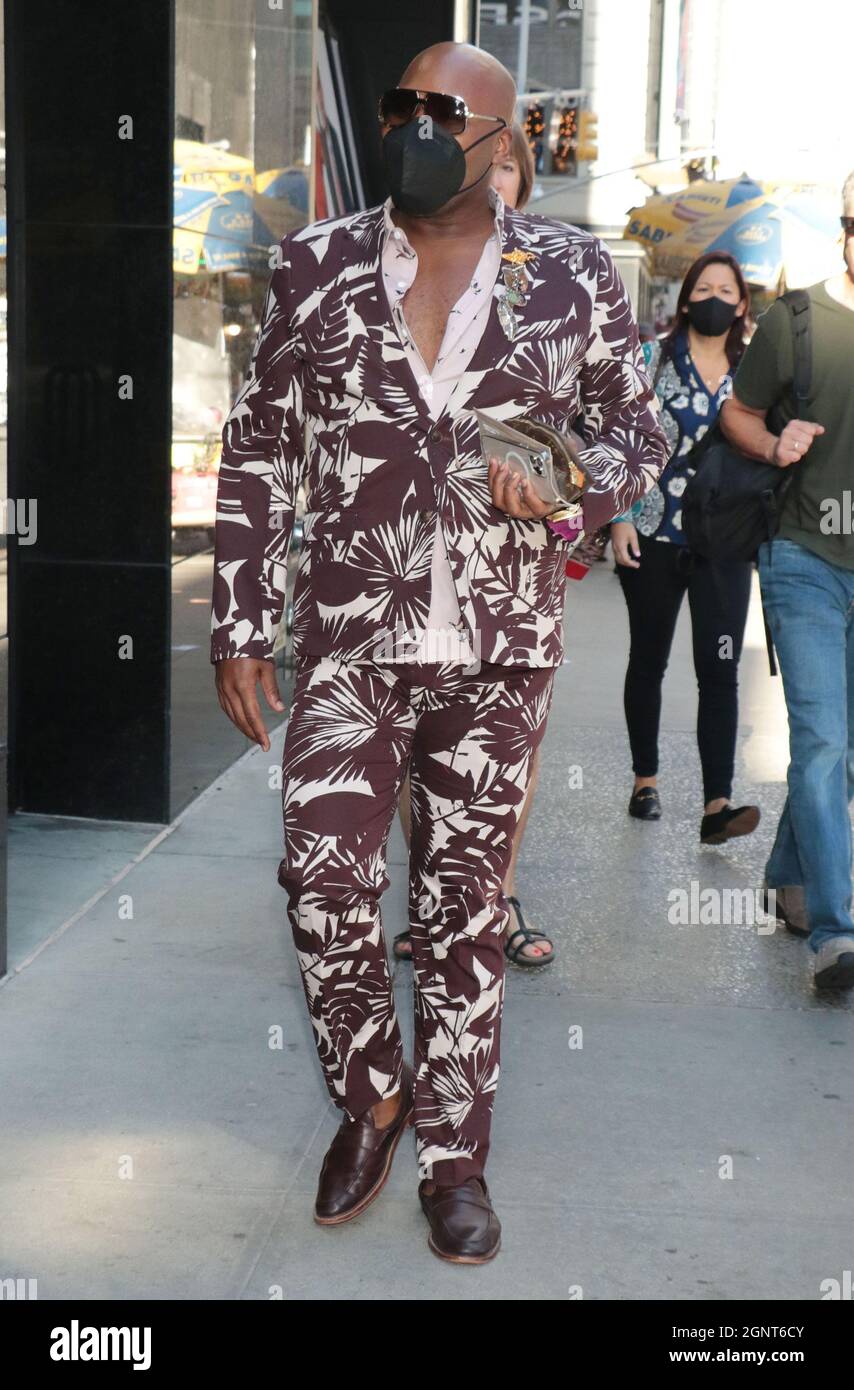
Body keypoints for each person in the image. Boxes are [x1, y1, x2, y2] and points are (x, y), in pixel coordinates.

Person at [210, 40, 666, 1264]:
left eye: (444, 111)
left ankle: (453, 1156)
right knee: (321, 881)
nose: (416, 124)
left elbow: (639, 423)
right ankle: (370, 1090)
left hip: (496, 647)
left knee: (462, 912)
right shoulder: (314, 262)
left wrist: (568, 495)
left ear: (501, 139)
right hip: (352, 639)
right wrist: (239, 616)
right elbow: (256, 444)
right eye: (401, 104)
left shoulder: (569, 274)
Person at [393, 121, 555, 969]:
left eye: (506, 181)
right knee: (420, 779)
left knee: (500, 780)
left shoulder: (555, 284)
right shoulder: (394, 269)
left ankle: (491, 898)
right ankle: (440, 896)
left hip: (511, 596)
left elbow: (608, 435)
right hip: (395, 594)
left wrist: (560, 495)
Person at [720, 171, 854, 991]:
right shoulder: (796, 321)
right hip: (804, 556)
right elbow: (736, 411)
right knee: (823, 741)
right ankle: (839, 933)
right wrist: (773, 445)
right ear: (847, 228)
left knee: (844, 749)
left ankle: (787, 874)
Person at [611, 252, 760, 844]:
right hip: (653, 532)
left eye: (727, 289)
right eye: (704, 287)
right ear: (686, 299)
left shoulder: (754, 376)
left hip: (725, 545)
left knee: (720, 670)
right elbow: (619, 435)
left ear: (743, 304)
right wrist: (619, 516)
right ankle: (645, 781)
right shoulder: (653, 361)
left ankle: (716, 805)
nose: (715, 297)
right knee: (649, 659)